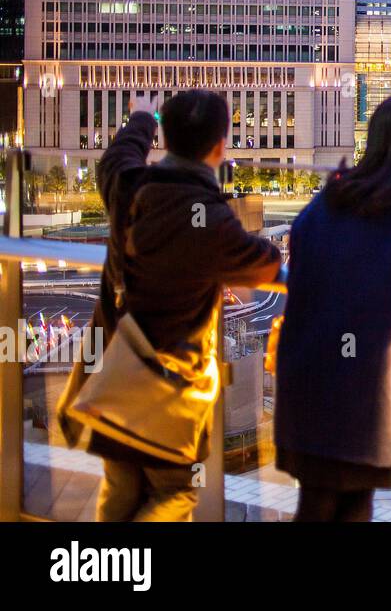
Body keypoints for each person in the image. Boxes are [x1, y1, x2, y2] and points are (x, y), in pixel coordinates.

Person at [70, 91, 282, 522]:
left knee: (120, 487)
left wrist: (141, 119)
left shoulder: (129, 186)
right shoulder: (212, 220)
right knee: (175, 493)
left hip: (115, 371)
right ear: (220, 146)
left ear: (164, 139)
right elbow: (265, 263)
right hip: (170, 386)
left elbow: (116, 158)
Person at [274, 94, 391, 522]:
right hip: (365, 385)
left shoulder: (335, 191)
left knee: (317, 504)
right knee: (350, 506)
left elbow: (300, 249)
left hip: (305, 369)